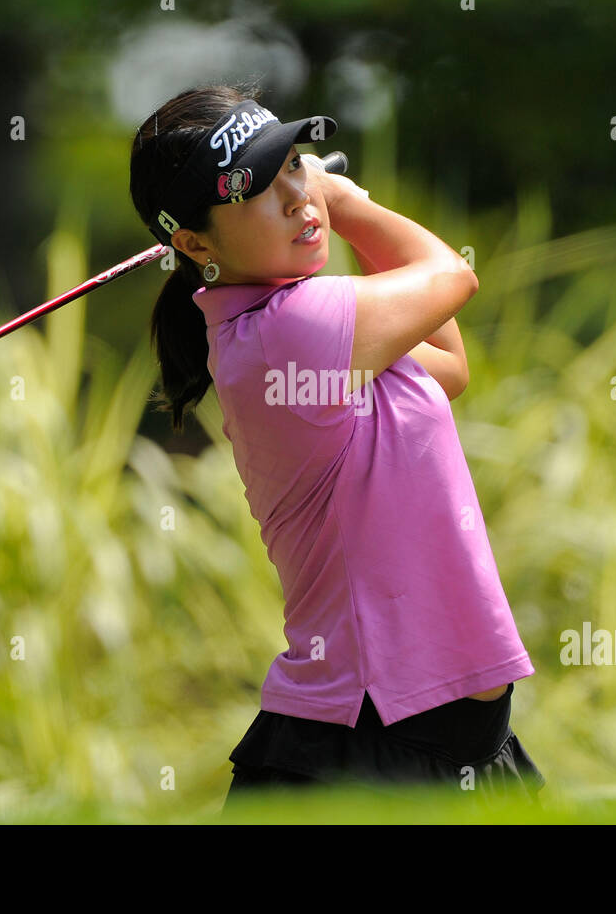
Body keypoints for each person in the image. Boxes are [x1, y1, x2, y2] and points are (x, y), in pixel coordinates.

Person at [129, 81, 545, 815]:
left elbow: (448, 365)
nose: (296, 195)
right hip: (364, 747)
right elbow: (454, 276)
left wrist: (320, 196)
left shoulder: (306, 330)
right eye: (256, 186)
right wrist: (345, 202)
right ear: (194, 244)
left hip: (457, 742)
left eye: (294, 164)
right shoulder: (287, 331)